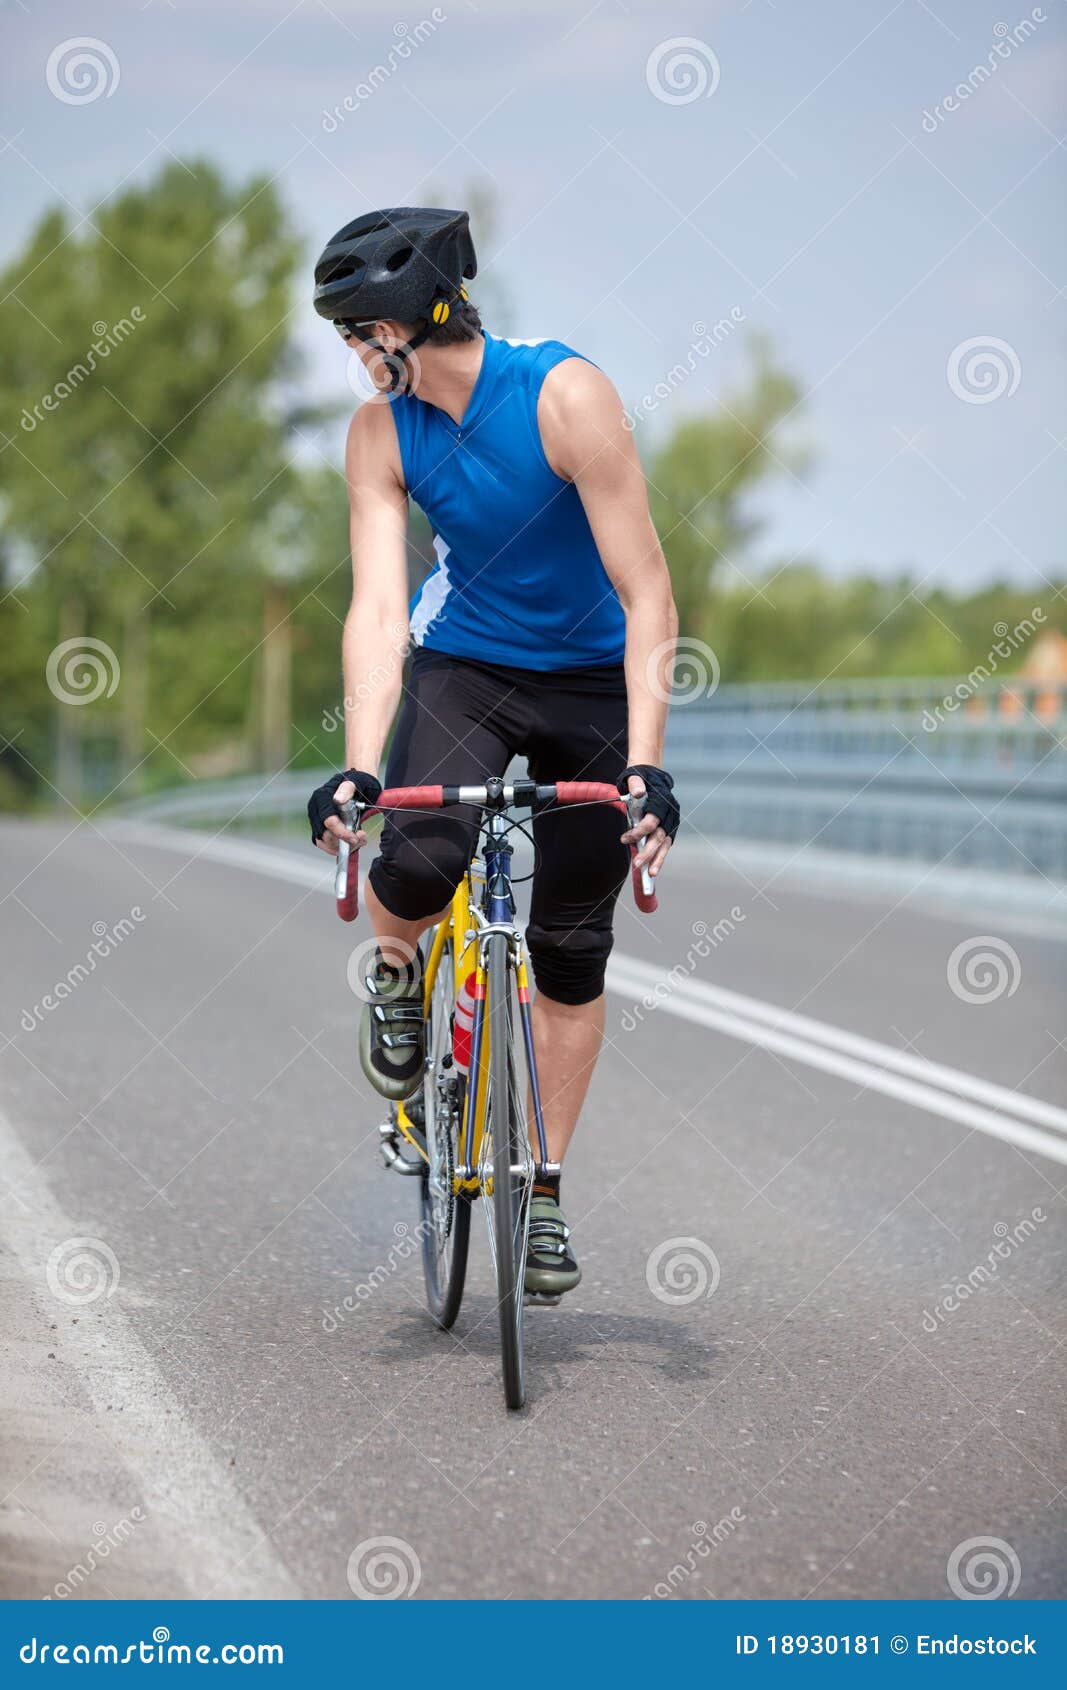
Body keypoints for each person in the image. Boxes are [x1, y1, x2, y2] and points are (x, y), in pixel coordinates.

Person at [307, 207, 679, 1296]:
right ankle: (393, 976)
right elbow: (379, 608)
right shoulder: (380, 434)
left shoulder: (565, 397)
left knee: (568, 942)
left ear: (398, 324)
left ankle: (546, 1191)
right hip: (465, 662)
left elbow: (646, 589)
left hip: (589, 679)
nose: (345, 356)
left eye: (349, 333)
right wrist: (358, 765)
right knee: (417, 854)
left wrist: (646, 768)